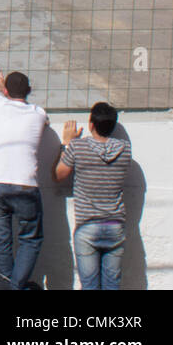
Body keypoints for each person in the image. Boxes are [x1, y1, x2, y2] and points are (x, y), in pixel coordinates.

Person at [52, 102, 131, 291]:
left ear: (91, 125)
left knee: (89, 285)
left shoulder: (78, 147)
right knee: (112, 285)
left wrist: (66, 144)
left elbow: (58, 175)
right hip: (115, 226)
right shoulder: (125, 149)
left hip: (87, 226)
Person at [0, 70, 48, 290]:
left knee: (0, 241)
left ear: (6, 90)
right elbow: (44, 123)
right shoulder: (38, 113)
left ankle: (9, 285)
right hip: (25, 184)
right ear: (29, 91)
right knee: (30, 239)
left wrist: (2, 93)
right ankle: (16, 287)